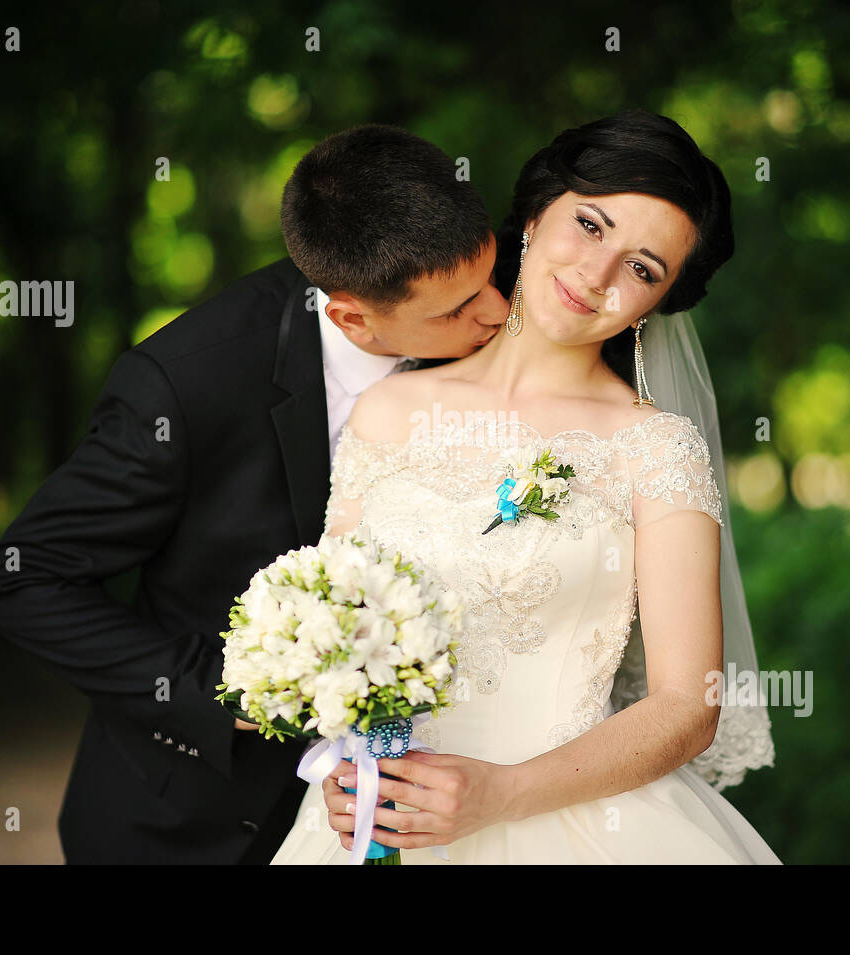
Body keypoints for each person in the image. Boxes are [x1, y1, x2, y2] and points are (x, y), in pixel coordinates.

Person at [0, 124, 509, 864]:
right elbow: (25, 579)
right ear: (351, 313)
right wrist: (229, 690)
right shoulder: (186, 385)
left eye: (490, 279)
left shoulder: (503, 326)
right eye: (456, 310)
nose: (497, 314)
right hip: (191, 825)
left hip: (423, 817)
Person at [271, 110, 780, 864]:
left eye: (643, 269)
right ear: (537, 214)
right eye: (591, 224)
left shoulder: (657, 449)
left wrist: (501, 793)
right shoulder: (386, 412)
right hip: (386, 816)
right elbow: (334, 625)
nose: (597, 273)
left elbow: (686, 704)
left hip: (577, 820)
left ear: (658, 304)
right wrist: (345, 760)